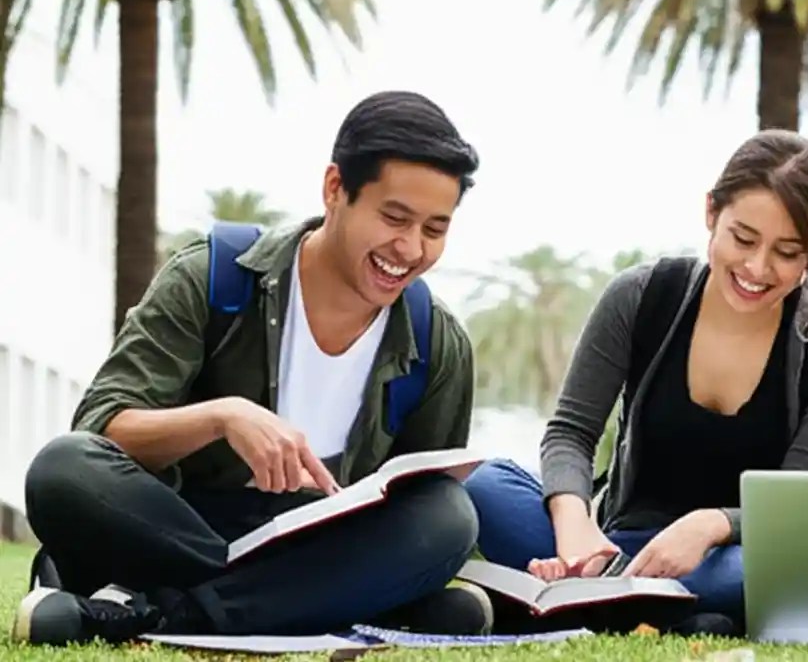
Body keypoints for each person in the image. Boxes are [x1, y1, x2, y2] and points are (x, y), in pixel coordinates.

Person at [11, 91, 491, 646]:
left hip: (317, 546)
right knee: (63, 468)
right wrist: (221, 418)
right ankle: (318, 607)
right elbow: (104, 427)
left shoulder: (435, 339)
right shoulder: (213, 277)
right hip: (179, 526)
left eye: (435, 230)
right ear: (336, 188)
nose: (409, 249)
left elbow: (421, 499)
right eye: (394, 218)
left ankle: (151, 612)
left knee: (450, 516)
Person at [463, 129, 808, 636]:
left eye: (787, 252)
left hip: (733, 557)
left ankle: (594, 603)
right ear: (711, 212)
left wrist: (711, 525)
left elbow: (797, 502)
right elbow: (571, 432)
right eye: (743, 238)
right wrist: (574, 526)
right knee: (487, 484)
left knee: (783, 574)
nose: (758, 268)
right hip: (619, 545)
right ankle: (650, 606)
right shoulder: (643, 295)